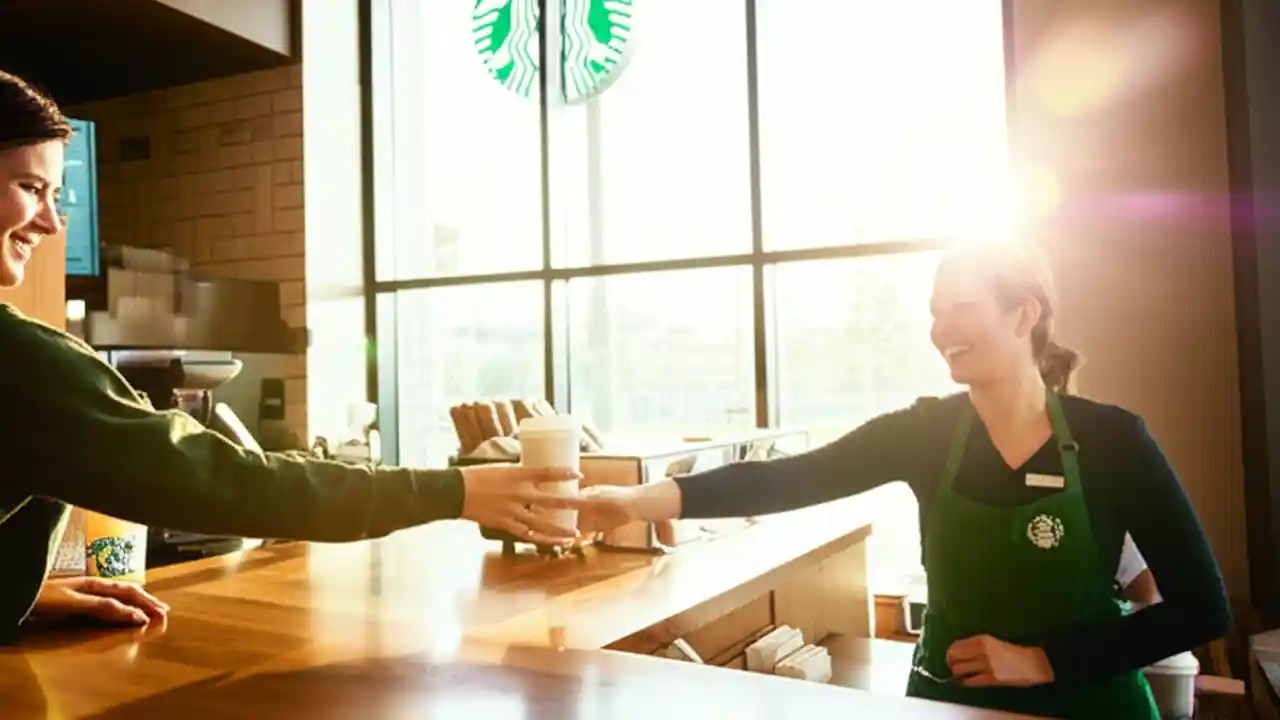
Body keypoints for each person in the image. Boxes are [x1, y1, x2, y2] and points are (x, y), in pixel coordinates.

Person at [0, 70, 578, 643]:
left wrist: (24, 593)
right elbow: (221, 481)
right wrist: (460, 492)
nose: (51, 223)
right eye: (32, 189)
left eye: (56, 195)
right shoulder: (21, 361)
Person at [571, 241, 1229, 717]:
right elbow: (789, 479)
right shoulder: (927, 432)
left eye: (961, 309)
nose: (940, 330)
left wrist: (1045, 662)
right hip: (953, 699)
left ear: (1023, 315)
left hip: (1090, 704)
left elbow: (1202, 607)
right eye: (935, 312)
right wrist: (631, 499)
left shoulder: (1114, 439)